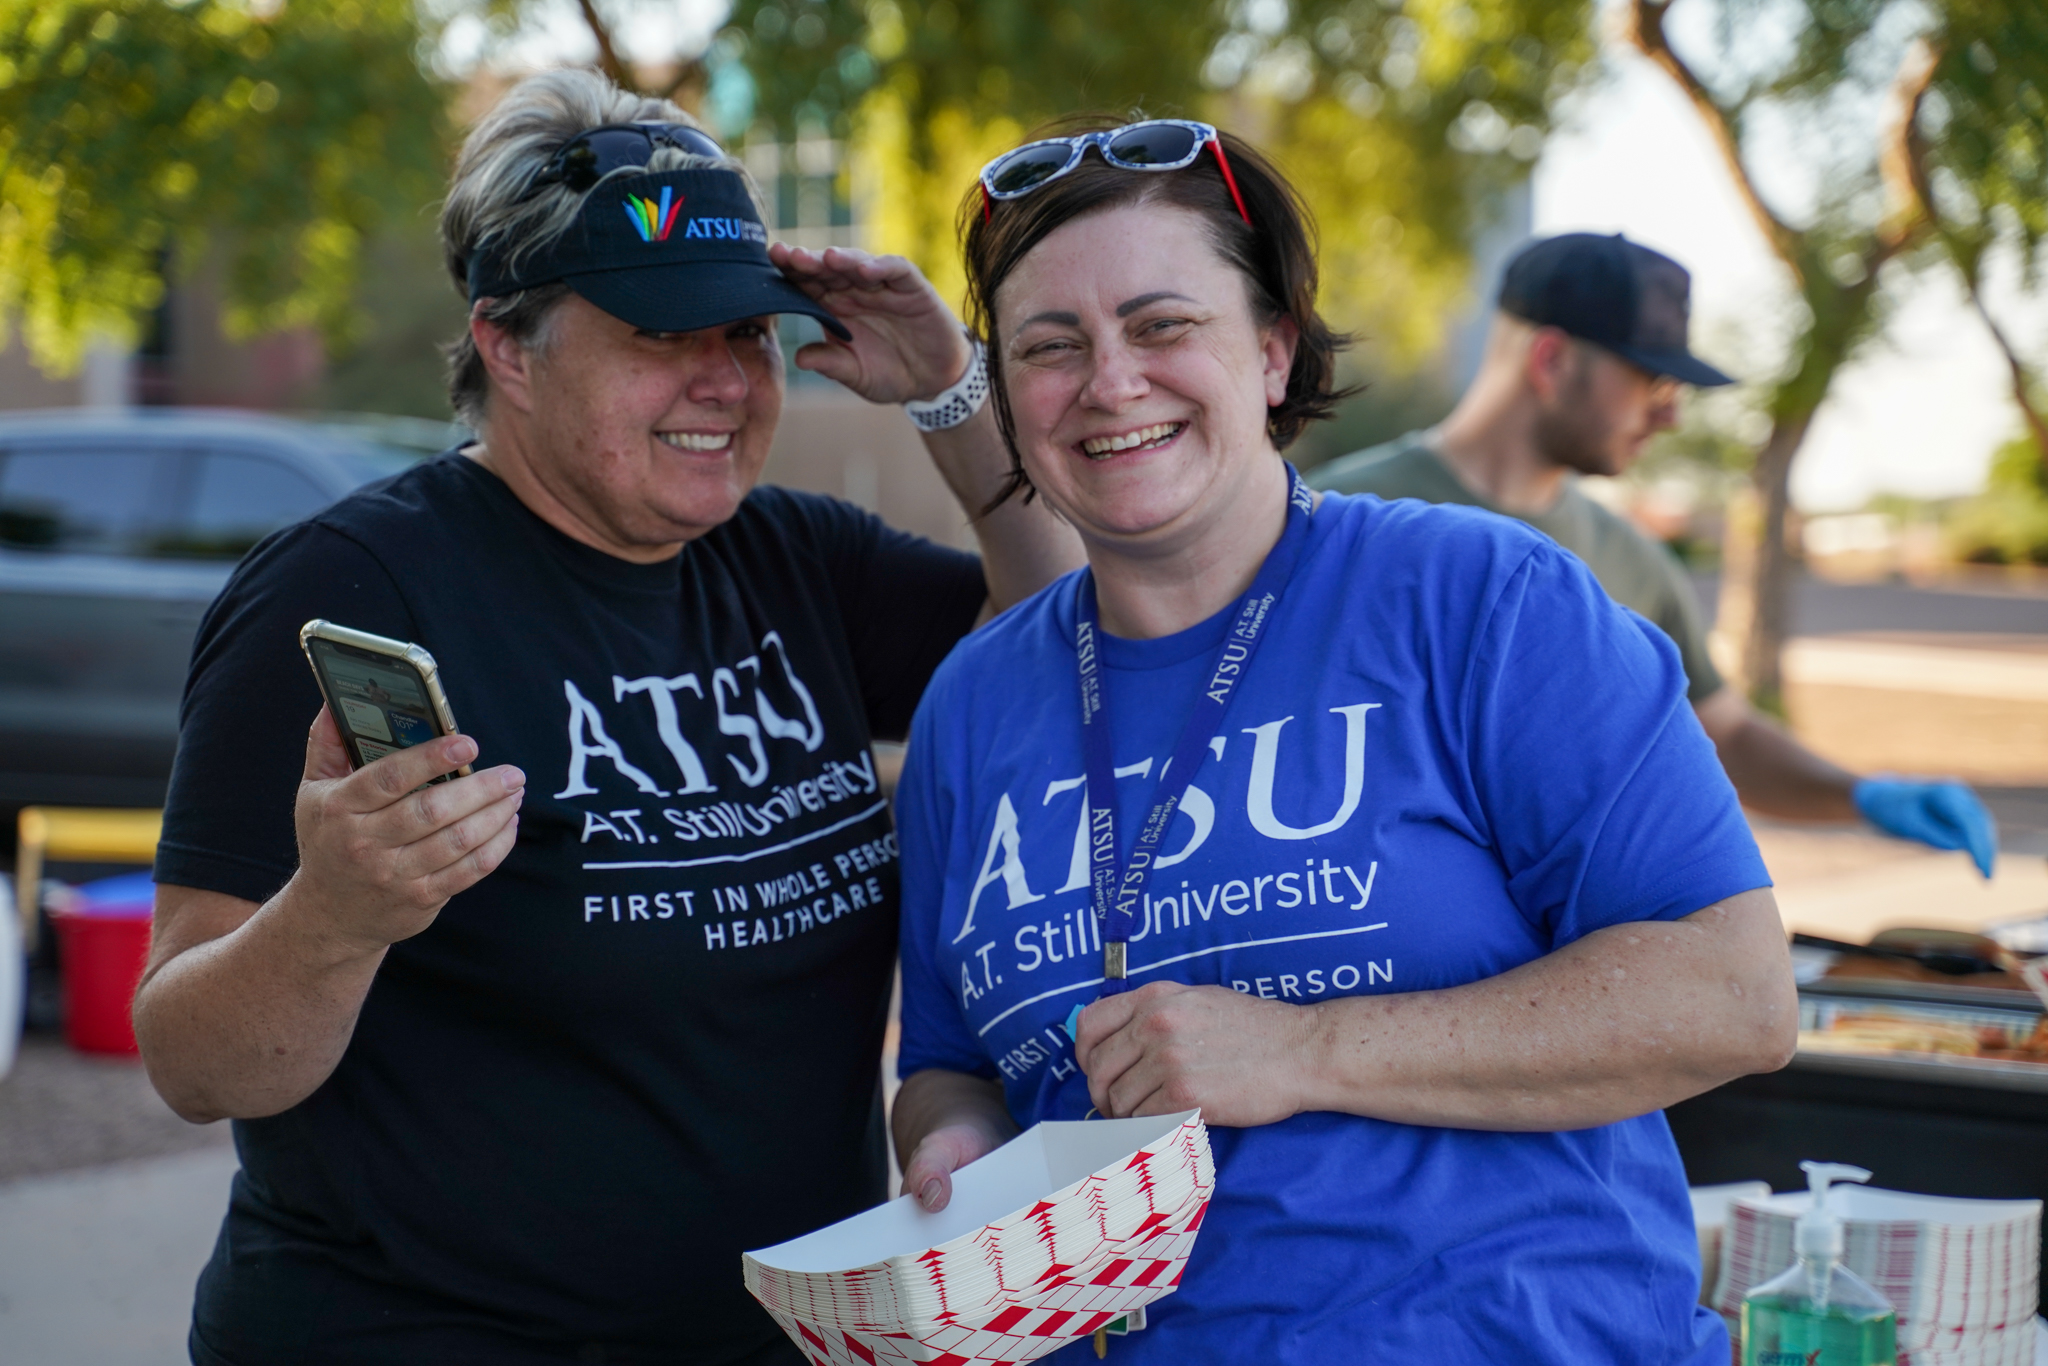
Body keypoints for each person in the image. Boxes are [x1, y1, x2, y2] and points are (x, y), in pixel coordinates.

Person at [133, 70, 1079, 1366]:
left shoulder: (796, 560)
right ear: (507, 346)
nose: (723, 381)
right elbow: (191, 1058)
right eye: (659, 334)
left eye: (746, 332)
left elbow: (1076, 645)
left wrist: (950, 387)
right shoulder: (351, 586)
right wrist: (336, 918)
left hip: (781, 1338)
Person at [888, 117, 1798, 1364]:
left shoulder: (1478, 598)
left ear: (1270, 349)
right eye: (1050, 347)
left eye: (1161, 326)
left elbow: (1733, 995)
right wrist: (950, 1146)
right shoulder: (972, 704)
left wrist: (1303, 1049)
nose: (1108, 382)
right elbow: (949, 1061)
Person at [1311, 232, 1999, 878]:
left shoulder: (1636, 563)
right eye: (1651, 380)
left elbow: (1721, 735)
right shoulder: (1330, 521)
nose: (1671, 415)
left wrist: (1864, 795)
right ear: (1551, 361)